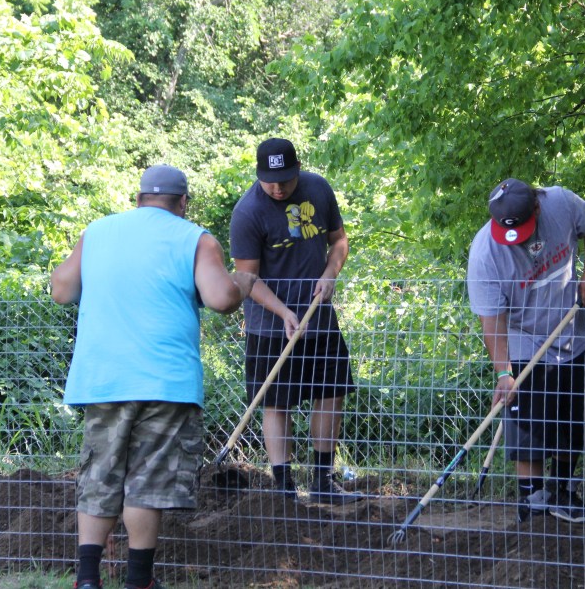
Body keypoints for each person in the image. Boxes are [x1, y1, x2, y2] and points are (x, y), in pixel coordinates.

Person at [51, 164, 257, 589]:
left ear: (138, 197)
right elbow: (220, 299)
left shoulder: (97, 232)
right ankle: (138, 580)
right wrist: (243, 283)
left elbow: (62, 291)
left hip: (105, 377)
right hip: (166, 383)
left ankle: (87, 580)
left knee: (101, 473)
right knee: (148, 481)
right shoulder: (196, 238)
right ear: (183, 202)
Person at [467, 178, 585, 524]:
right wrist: (504, 372)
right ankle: (531, 497)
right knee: (528, 419)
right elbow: (492, 322)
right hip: (523, 339)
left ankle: (562, 492)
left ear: (537, 206)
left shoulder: (560, 202)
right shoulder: (485, 254)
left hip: (571, 329)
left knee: (571, 418)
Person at [229, 137, 361, 505]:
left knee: (331, 393)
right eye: (269, 179)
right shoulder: (248, 212)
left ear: (297, 169)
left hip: (319, 315)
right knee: (277, 402)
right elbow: (247, 279)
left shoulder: (318, 190)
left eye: (284, 178)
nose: (277, 186)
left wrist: (331, 272)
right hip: (270, 325)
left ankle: (323, 479)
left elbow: (339, 241)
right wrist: (284, 311)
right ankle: (284, 488)